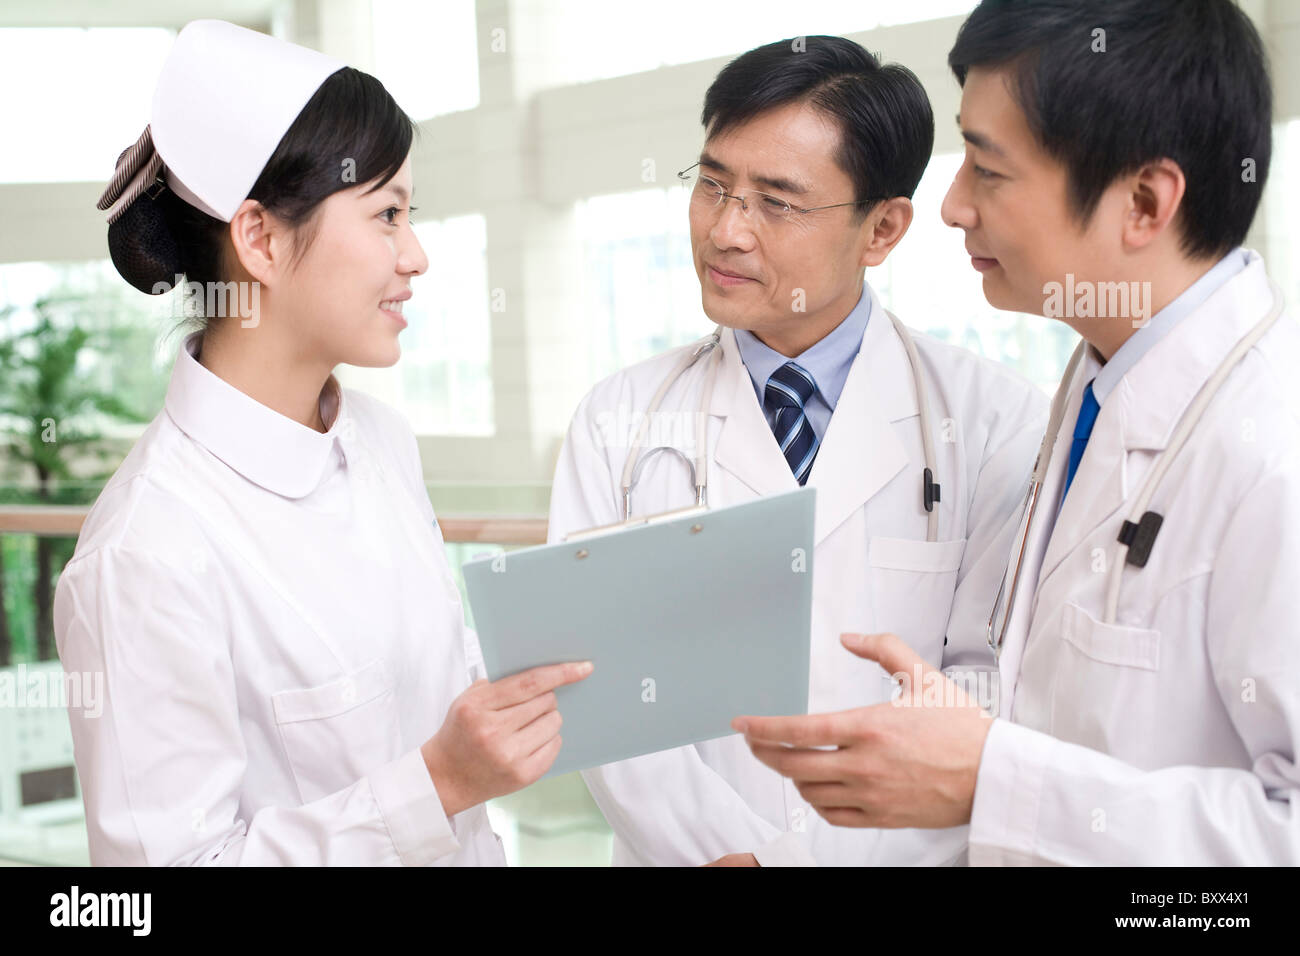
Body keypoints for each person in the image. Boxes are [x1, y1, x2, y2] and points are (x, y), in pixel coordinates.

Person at [738, 0, 1300, 865]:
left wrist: (993, 779)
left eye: (990, 171)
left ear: (1145, 201)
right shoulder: (1098, 382)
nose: (954, 206)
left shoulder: (1273, 448)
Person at [53, 19, 589, 867]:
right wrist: (437, 783)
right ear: (260, 239)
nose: (415, 255)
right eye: (388, 214)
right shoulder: (144, 554)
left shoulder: (380, 441)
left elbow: (418, 681)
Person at [546, 35, 1048, 866]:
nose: (726, 231)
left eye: (776, 202)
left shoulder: (987, 420)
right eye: (712, 185)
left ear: (881, 227)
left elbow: (980, 691)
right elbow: (598, 685)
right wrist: (725, 855)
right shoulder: (620, 419)